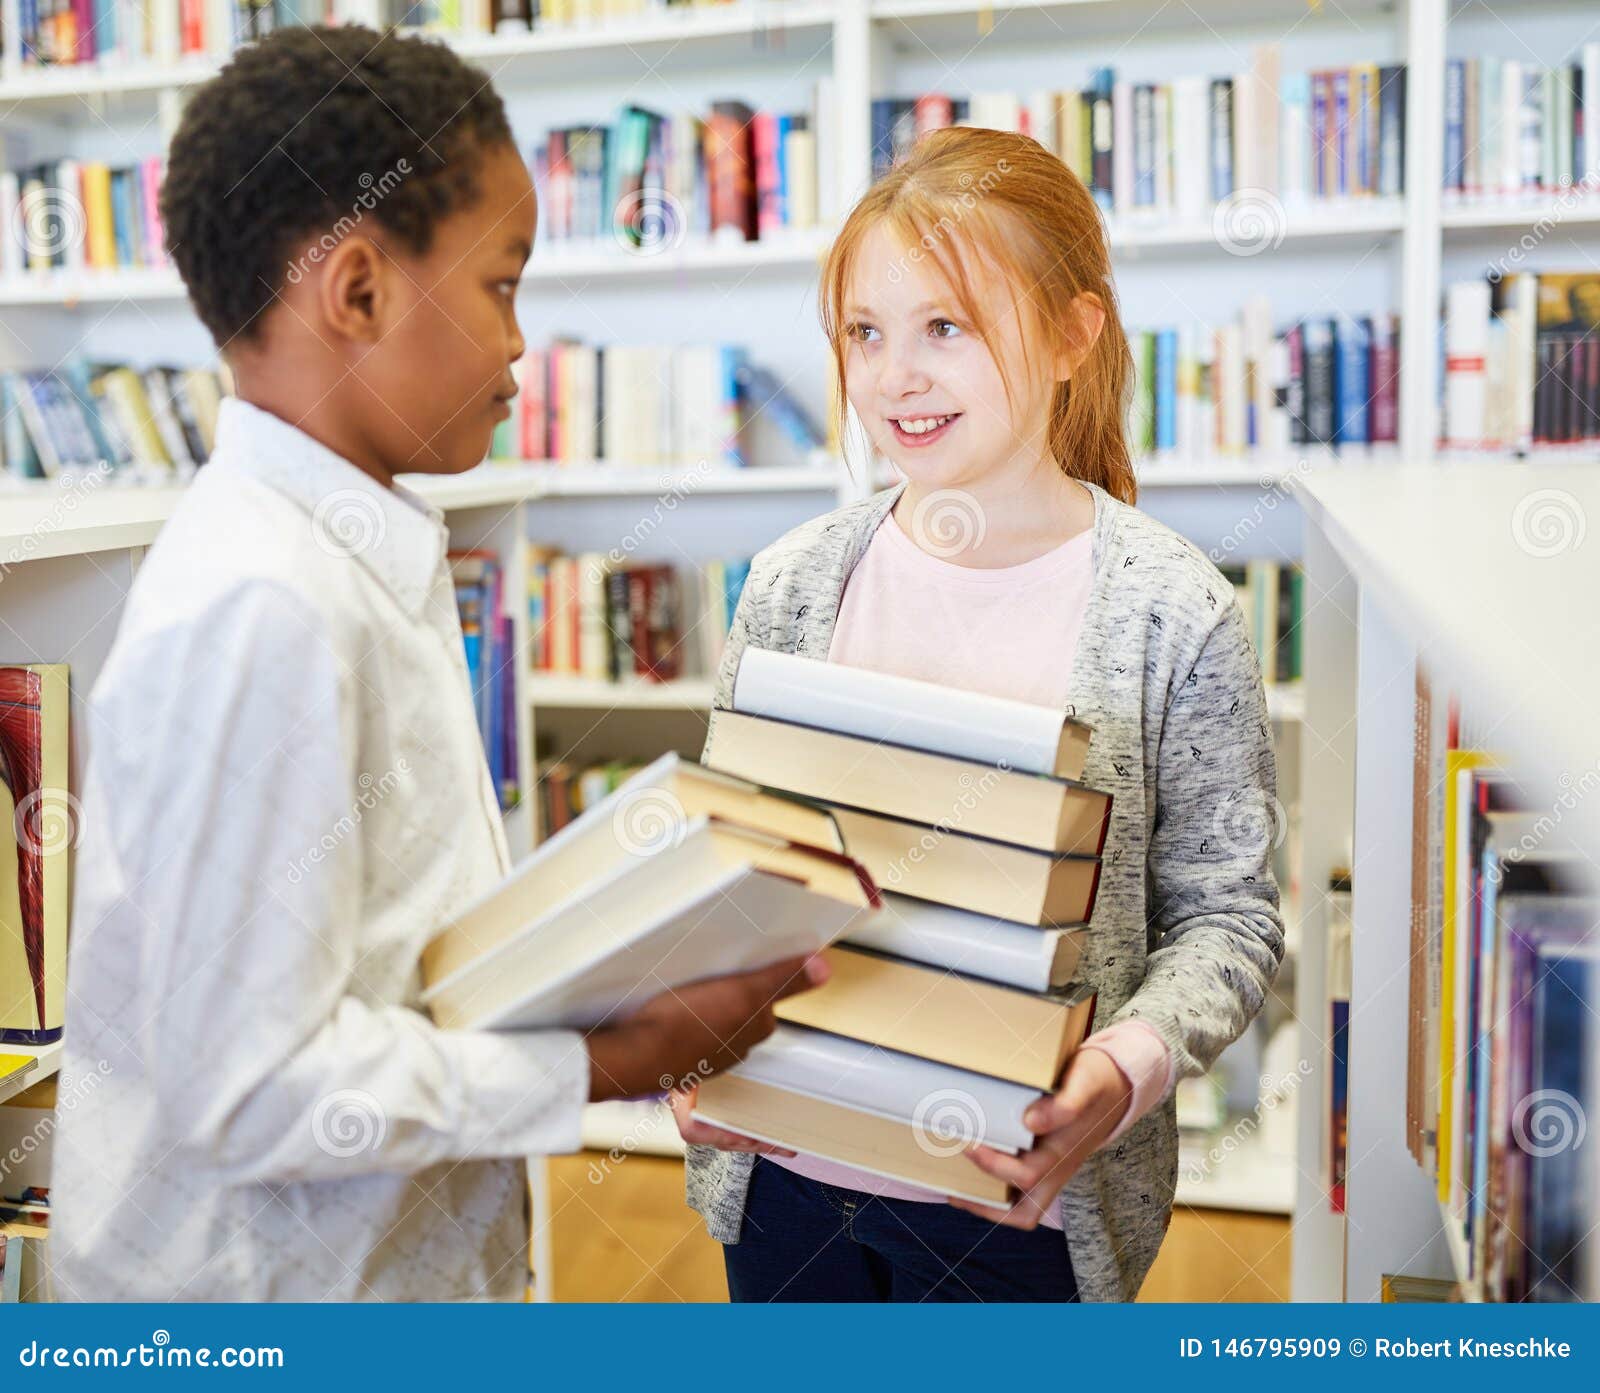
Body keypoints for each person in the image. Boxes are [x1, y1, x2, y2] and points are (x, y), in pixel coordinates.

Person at [50, 25, 821, 1303]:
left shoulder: (355, 550)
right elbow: (247, 1093)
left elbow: (381, 958)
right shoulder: (264, 605)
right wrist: (605, 1064)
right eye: (501, 285)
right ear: (355, 291)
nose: (522, 347)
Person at [672, 126, 1284, 1303]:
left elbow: (1226, 922)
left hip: (1020, 1207)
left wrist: (1120, 1070)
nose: (895, 375)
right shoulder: (797, 581)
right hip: (787, 1181)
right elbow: (728, 869)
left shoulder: (1171, 612)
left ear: (1071, 334)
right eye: (865, 332)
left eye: (944, 327)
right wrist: (681, 1027)